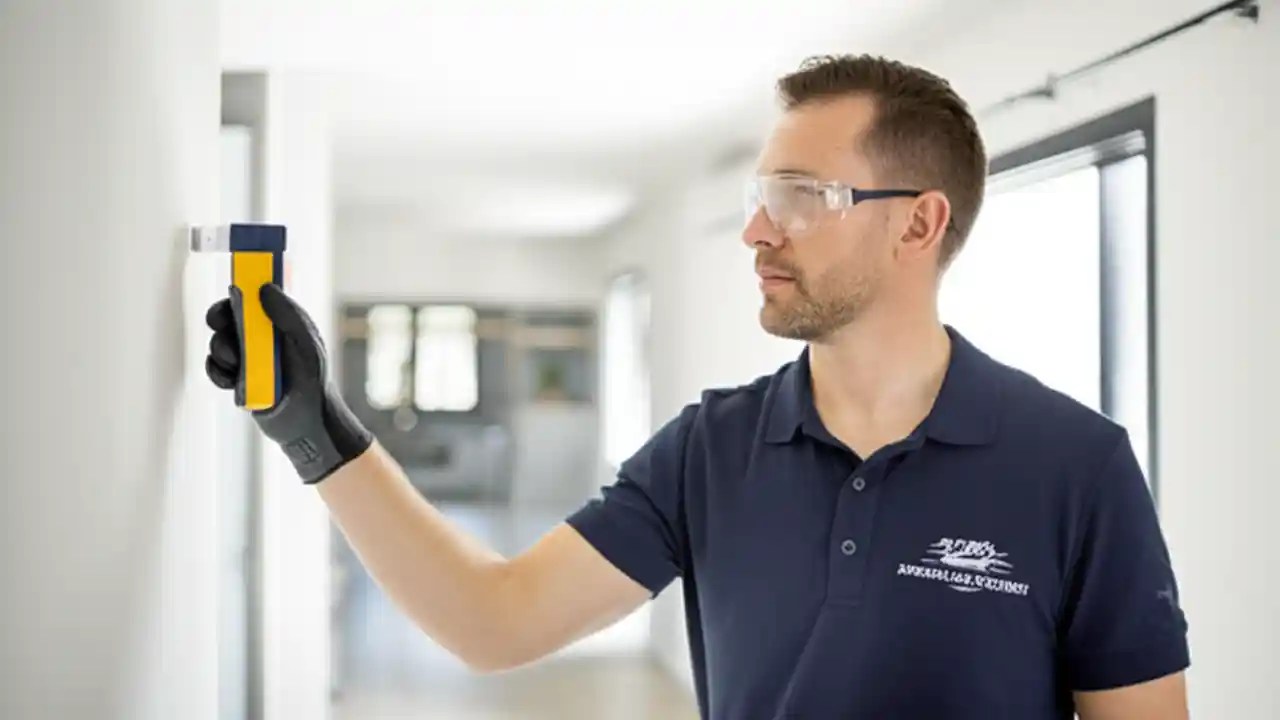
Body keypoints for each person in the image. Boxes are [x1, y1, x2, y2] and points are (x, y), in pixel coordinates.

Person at [205, 54, 1190, 719]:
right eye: (760, 197)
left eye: (799, 198)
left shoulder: (1076, 468)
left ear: (918, 224)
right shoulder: (709, 451)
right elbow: (493, 621)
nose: (756, 232)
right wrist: (312, 428)